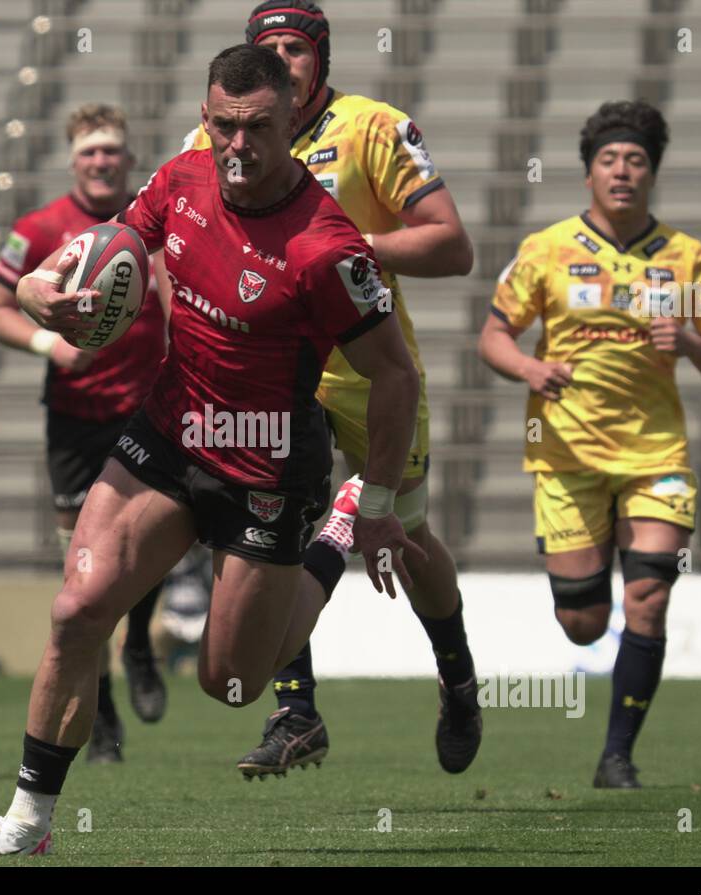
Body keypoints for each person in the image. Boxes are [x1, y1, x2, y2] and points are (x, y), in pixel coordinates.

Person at [0, 44, 422, 858]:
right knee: (75, 612)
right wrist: (37, 290)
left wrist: (374, 503)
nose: (239, 147)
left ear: (290, 127)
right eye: (225, 127)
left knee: (231, 683)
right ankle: (28, 823)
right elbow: (110, 240)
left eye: (259, 129)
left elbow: (396, 377)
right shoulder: (181, 179)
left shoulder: (328, 248)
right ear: (206, 119)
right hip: (169, 433)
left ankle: (331, 537)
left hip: (269, 462)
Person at [180, 1, 480, 778]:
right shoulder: (214, 140)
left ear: (322, 59)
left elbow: (453, 247)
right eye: (268, 48)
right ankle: (295, 711)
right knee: (272, 525)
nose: (285, 59)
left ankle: (456, 676)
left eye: (297, 48)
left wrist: (344, 246)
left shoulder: (375, 127)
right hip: (273, 369)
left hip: (369, 362)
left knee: (406, 533)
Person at [478, 100, 701, 788]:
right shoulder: (546, 249)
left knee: (649, 598)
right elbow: (493, 337)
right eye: (610, 161)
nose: (623, 171)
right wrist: (531, 367)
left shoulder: (692, 258)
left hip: (657, 455)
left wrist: (689, 340)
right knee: (583, 623)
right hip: (566, 456)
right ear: (589, 174)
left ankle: (617, 756)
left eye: (636, 161)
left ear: (652, 173)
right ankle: (588, 629)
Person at [0, 103, 169, 762]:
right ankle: (105, 708)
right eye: (89, 151)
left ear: (128, 158)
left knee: (146, 549)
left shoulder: (155, 222)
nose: (101, 161)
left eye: (111, 150)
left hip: (147, 410)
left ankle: (140, 640)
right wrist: (49, 346)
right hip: (74, 419)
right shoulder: (38, 229)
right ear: (72, 159)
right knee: (83, 572)